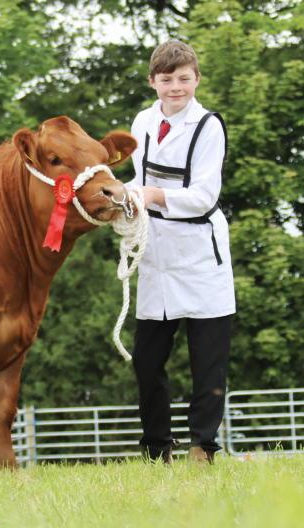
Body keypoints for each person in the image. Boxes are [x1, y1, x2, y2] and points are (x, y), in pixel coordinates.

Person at [128, 39, 235, 464]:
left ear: (196, 79)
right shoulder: (142, 121)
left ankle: (202, 447)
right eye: (168, 79)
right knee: (146, 361)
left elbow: (204, 195)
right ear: (153, 81)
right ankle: (157, 448)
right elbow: (136, 178)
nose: (176, 87)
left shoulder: (209, 125)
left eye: (184, 79)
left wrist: (150, 194)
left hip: (200, 256)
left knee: (207, 363)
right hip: (156, 254)